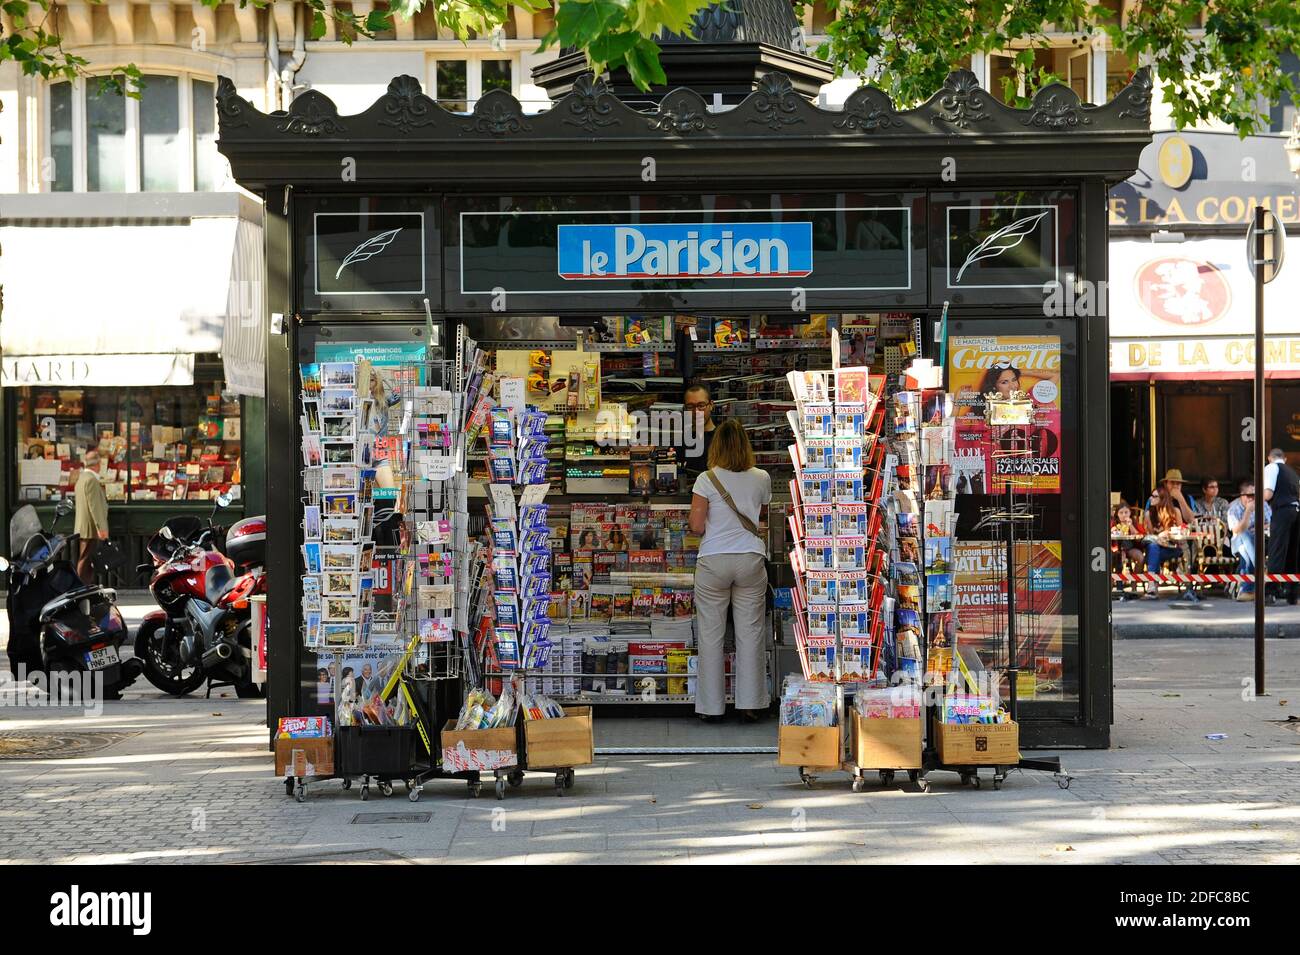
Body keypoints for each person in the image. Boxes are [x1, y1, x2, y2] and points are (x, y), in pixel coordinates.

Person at [688, 419, 771, 723]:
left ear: (716, 447)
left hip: (714, 560)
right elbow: (759, 517)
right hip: (750, 558)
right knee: (750, 632)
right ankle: (750, 704)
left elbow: (696, 526)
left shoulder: (706, 479)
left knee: (711, 634)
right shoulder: (761, 477)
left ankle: (711, 708)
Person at [1144, 472, 1192, 598]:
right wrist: (1159, 536)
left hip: (1174, 547)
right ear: (1165, 483)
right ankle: (1152, 583)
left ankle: (1152, 583)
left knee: (1152, 551)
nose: (1151, 499)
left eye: (1154, 496)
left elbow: (1182, 530)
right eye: (1172, 483)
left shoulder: (1175, 511)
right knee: (1153, 547)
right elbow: (1150, 535)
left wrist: (1169, 533)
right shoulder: (1149, 514)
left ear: (1162, 498)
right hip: (1157, 548)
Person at [1263, 448, 1300, 604]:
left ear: (1269, 458)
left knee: (1277, 549)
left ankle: (1270, 592)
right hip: (1296, 511)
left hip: (1282, 511)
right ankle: (1293, 593)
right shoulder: (1292, 472)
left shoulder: (1271, 467)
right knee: (1294, 552)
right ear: (1284, 458)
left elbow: (1268, 494)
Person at [1227, 481, 1269, 601]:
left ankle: (1247, 591)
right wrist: (1248, 512)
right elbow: (1236, 530)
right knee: (1244, 535)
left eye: (1254, 495)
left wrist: (1256, 528)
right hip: (1237, 541)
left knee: (1245, 551)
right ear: (1241, 495)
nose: (1252, 498)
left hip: (1259, 540)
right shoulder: (1233, 508)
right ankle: (1261, 568)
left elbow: (1270, 522)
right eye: (1249, 495)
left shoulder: (1262, 504)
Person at [73, 449, 109, 585]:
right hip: (90, 528)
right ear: (97, 464)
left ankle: (84, 586)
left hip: (84, 526)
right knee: (85, 559)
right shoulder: (91, 480)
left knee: (86, 559)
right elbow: (95, 507)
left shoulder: (82, 478)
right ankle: (81, 587)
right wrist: (101, 528)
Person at [677, 381, 717, 478]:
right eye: (690, 407)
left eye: (701, 405)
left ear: (711, 405)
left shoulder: (724, 439)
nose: (696, 412)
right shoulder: (679, 441)